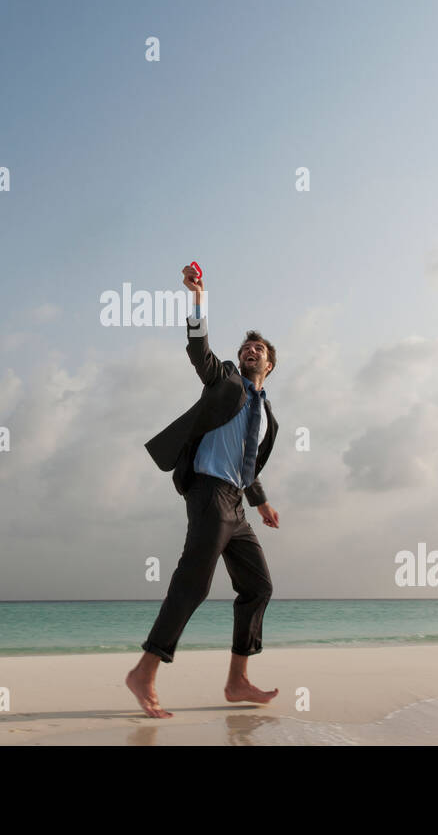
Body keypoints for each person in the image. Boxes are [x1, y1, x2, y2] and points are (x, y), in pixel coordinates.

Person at [126, 264, 281, 718]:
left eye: (260, 348)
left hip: (236, 503)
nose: (251, 350)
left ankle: (237, 681)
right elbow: (200, 351)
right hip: (208, 492)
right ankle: (145, 671)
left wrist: (262, 501)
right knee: (194, 581)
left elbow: (247, 464)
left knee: (258, 586)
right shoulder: (226, 380)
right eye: (247, 346)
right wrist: (198, 299)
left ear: (270, 364)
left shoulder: (270, 418)